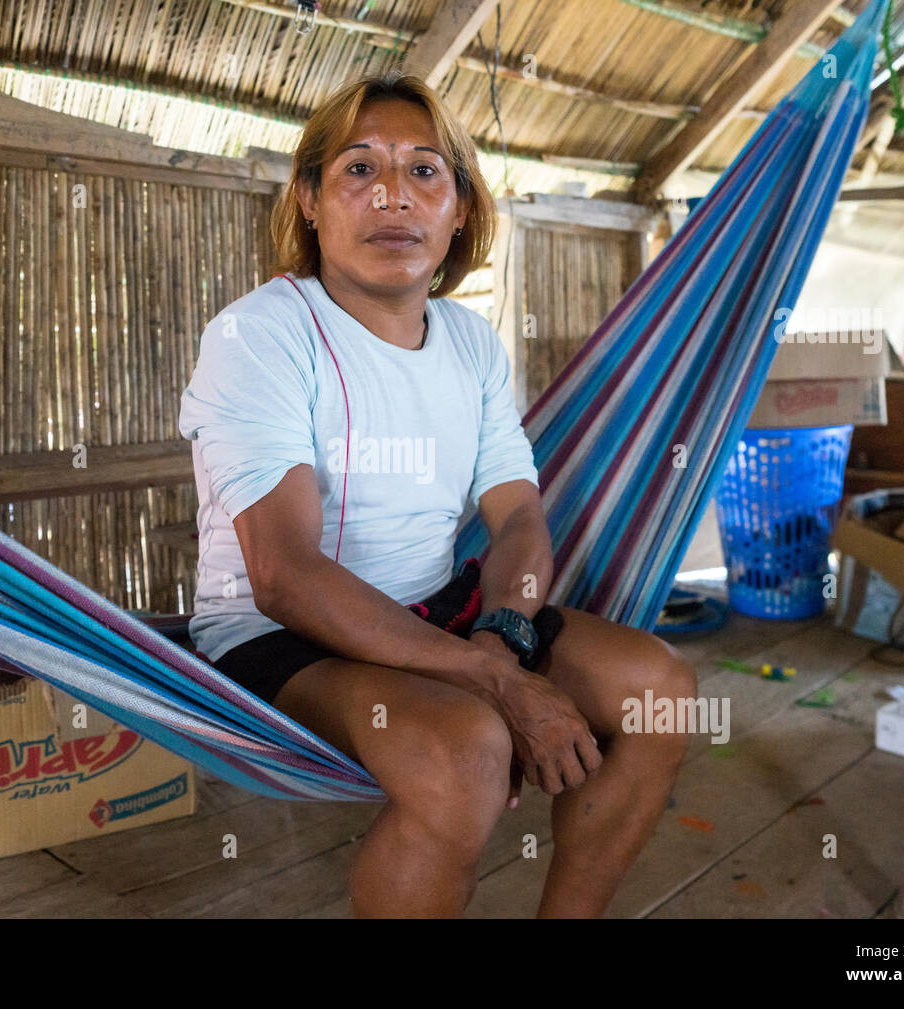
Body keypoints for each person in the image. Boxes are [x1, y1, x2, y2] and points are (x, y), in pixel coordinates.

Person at [177, 67, 696, 918]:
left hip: (439, 613)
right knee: (468, 752)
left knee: (660, 688)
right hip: (280, 635)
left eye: (424, 170)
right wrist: (493, 678)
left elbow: (519, 514)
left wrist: (504, 631)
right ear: (309, 199)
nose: (393, 196)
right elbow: (282, 573)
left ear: (457, 208)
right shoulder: (262, 335)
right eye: (358, 169)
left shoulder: (469, 341)